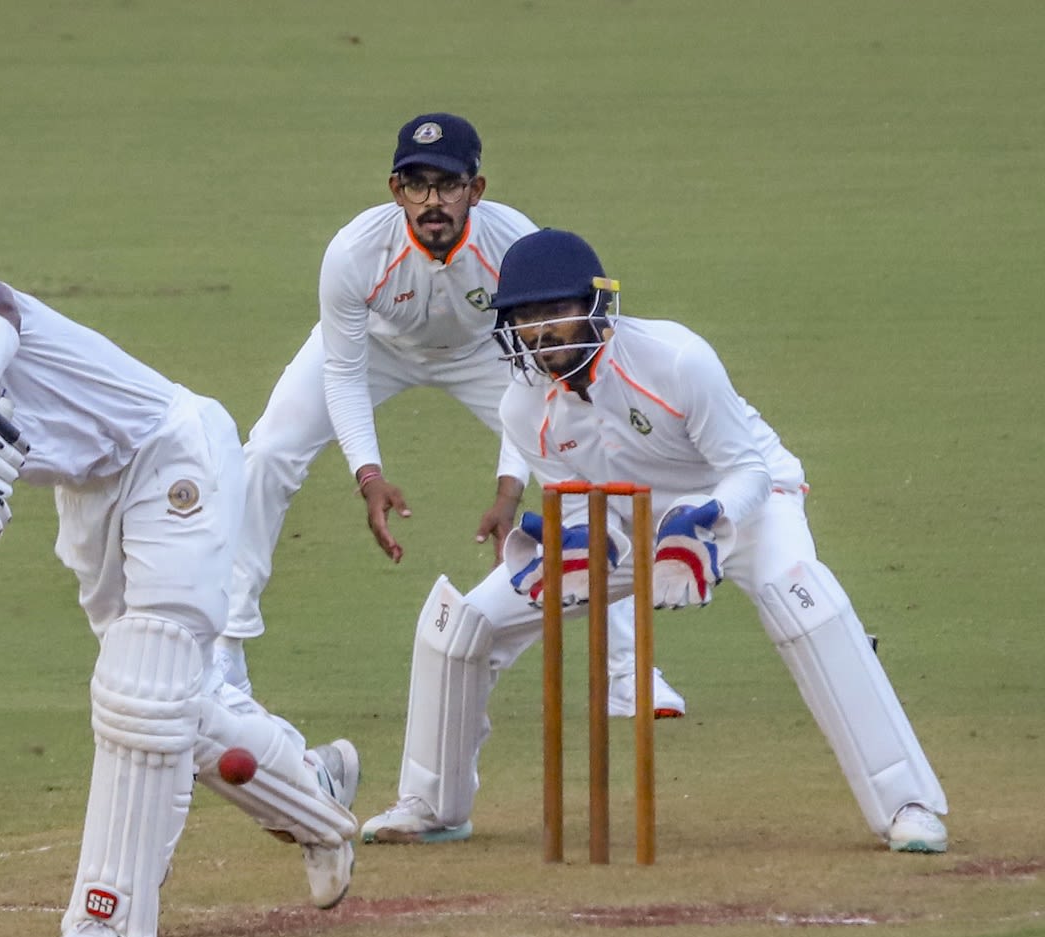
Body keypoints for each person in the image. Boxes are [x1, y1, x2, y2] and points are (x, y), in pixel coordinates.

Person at [0, 267, 361, 937]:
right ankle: (314, 797)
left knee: (143, 686)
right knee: (157, 705)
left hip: (170, 449)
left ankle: (111, 917)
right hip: (88, 500)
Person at [361, 229, 948, 852]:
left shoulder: (676, 358)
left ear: (595, 305)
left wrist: (701, 524)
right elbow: (584, 504)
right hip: (628, 521)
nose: (540, 330)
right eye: (525, 316)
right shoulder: (522, 407)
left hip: (745, 502)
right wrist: (577, 548)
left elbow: (747, 469)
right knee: (462, 624)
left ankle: (907, 803)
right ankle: (432, 804)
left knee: (805, 603)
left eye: (554, 310)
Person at [215, 112, 684, 722]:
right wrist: (368, 474)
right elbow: (343, 371)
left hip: (488, 353)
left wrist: (510, 487)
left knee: (582, 473)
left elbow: (536, 370)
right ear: (395, 190)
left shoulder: (515, 245)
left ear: (476, 189)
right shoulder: (356, 253)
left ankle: (629, 672)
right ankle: (224, 654)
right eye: (417, 185)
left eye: (449, 184)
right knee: (268, 453)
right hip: (377, 347)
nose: (432, 201)